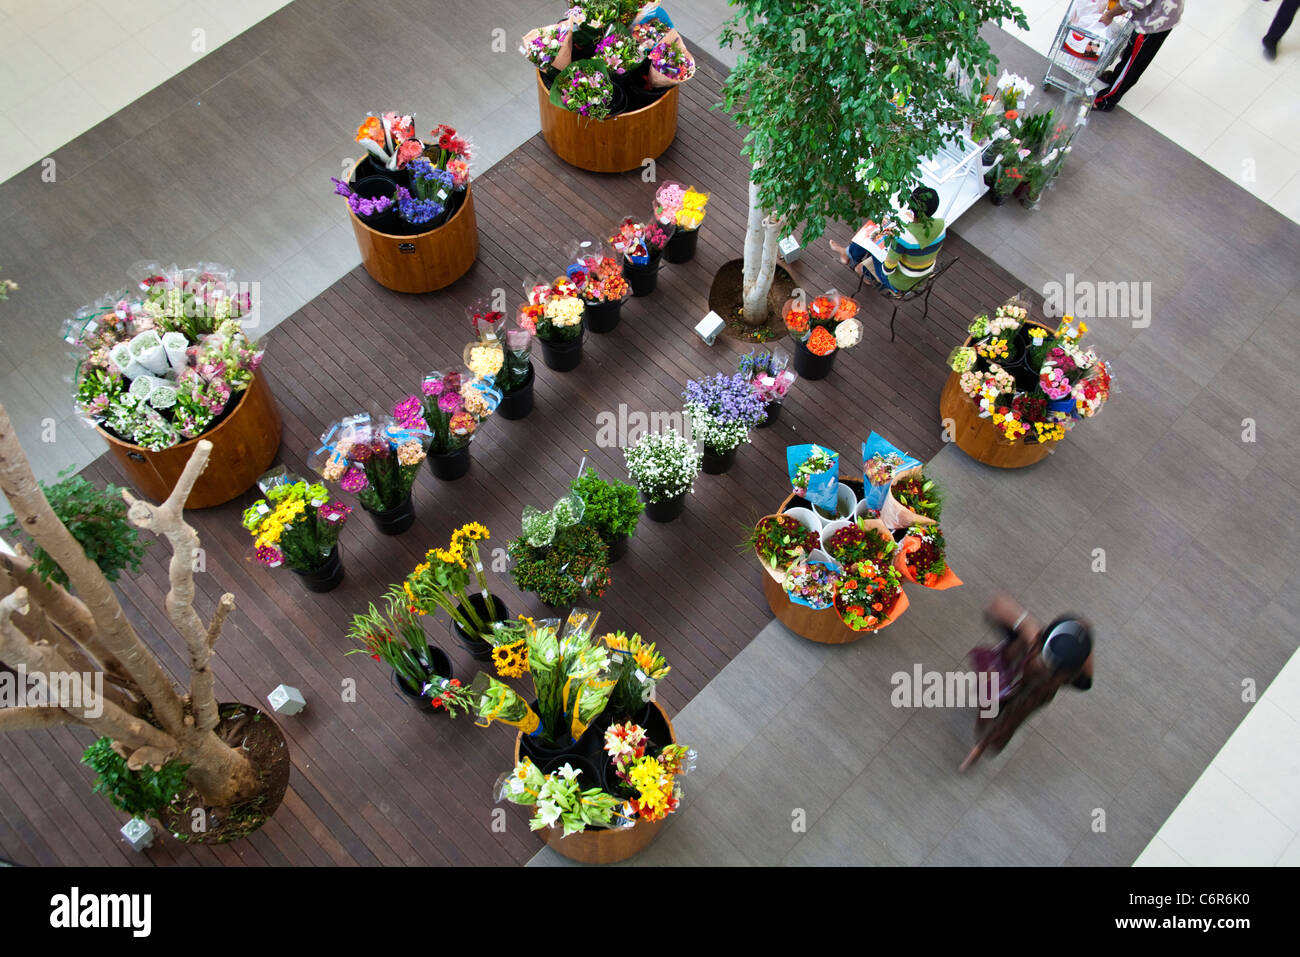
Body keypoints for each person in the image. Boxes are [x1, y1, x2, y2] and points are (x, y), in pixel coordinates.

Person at [959, 593, 1095, 772]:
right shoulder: (1032, 638)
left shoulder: (1071, 675)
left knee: (1002, 712)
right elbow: (998, 605)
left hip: (1025, 684)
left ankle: (985, 733)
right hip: (1015, 673)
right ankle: (986, 729)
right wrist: (1025, 623)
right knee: (995, 703)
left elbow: (998, 605)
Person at [830, 186, 946, 294]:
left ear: (911, 205)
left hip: (899, 283)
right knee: (880, 234)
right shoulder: (942, 225)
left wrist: (884, 247)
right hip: (922, 276)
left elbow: (887, 270)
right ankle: (855, 260)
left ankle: (853, 258)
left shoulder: (905, 238)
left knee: (874, 235)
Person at [1092, 0, 1185, 112]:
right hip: (1164, 13)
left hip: (1153, 23)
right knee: (1131, 55)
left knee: (1133, 63)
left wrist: (1109, 15)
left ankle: (1107, 100)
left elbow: (1132, 2)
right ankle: (1116, 77)